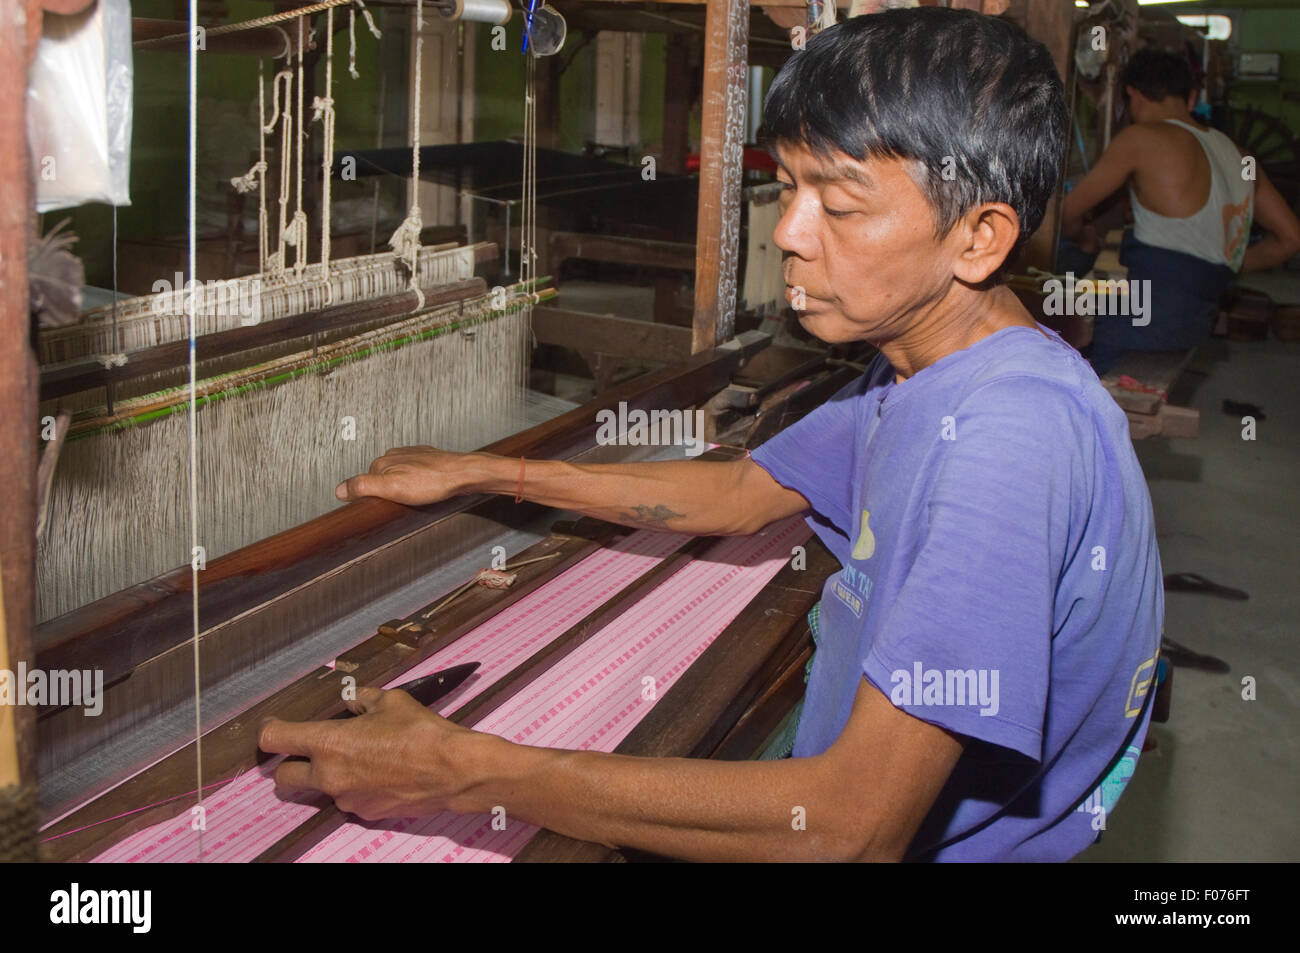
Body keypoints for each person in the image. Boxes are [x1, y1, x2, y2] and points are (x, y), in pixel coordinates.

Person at [259, 7, 1163, 862]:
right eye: (788, 187)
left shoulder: (1007, 441)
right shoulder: (932, 368)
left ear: (979, 238)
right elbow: (740, 491)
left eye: (839, 206)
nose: (793, 236)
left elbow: (852, 828)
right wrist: (489, 473)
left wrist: (466, 770)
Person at [1062, 47, 1300, 374]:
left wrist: (1083, 237)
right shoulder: (1240, 154)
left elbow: (1066, 213)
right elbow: (1290, 239)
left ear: (1133, 94)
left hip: (1148, 319)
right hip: (1197, 314)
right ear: (1189, 97)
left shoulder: (1141, 139)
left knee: (1069, 338)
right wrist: (1222, 261)